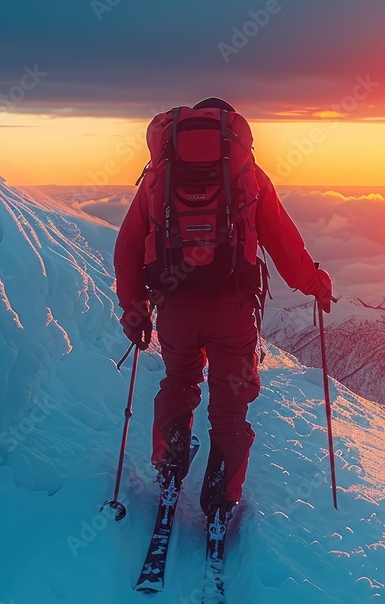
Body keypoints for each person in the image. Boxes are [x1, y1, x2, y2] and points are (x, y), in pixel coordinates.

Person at [113, 97, 332, 542]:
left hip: (175, 306)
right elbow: (285, 245)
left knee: (179, 381)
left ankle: (170, 468)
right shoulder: (248, 176)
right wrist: (315, 283)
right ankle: (220, 499)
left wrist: (134, 310)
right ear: (236, 135)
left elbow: (129, 247)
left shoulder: (158, 177)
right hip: (233, 309)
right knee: (229, 407)